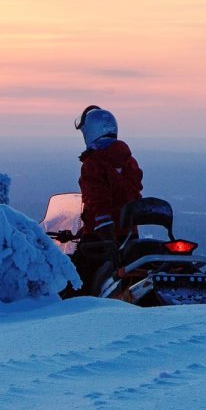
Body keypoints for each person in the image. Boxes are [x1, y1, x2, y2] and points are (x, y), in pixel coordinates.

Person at [70, 105, 144, 293]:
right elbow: (131, 197)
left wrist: (105, 236)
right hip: (129, 238)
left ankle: (75, 319)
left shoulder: (93, 163)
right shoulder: (128, 160)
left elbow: (98, 203)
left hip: (103, 243)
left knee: (74, 283)